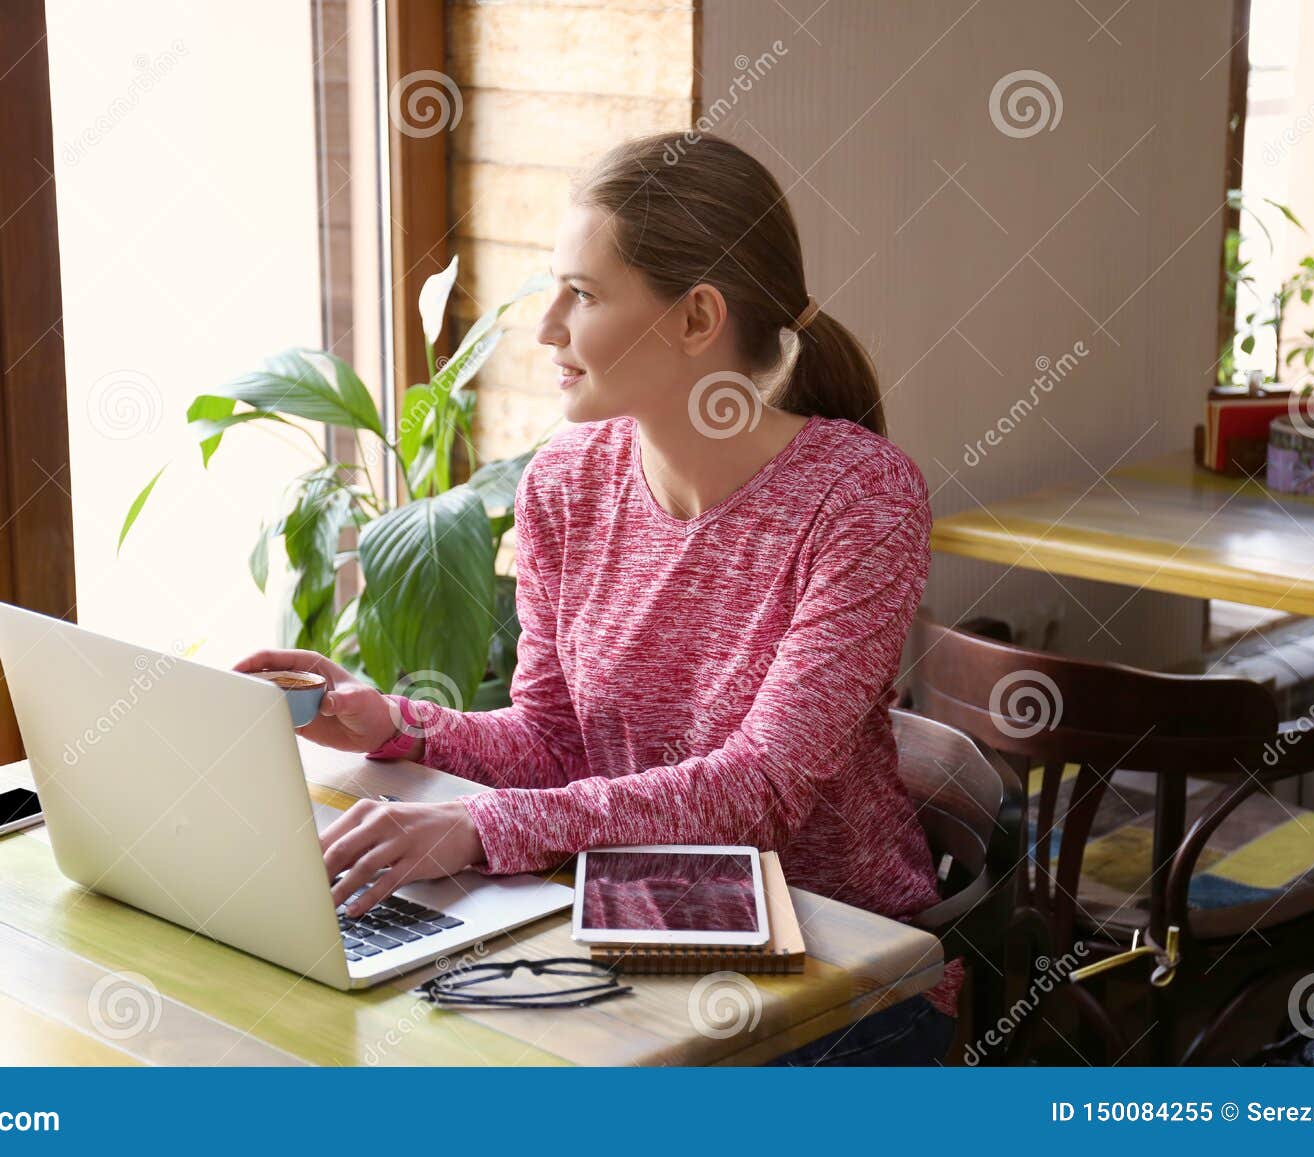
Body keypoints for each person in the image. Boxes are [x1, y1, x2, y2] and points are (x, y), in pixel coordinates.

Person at [235, 132, 957, 1065]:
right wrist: (396, 725)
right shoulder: (566, 483)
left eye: (582, 292)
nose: (545, 327)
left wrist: (478, 826)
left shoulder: (859, 499)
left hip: (837, 980)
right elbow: (553, 742)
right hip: (628, 937)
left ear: (698, 317)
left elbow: (761, 789)